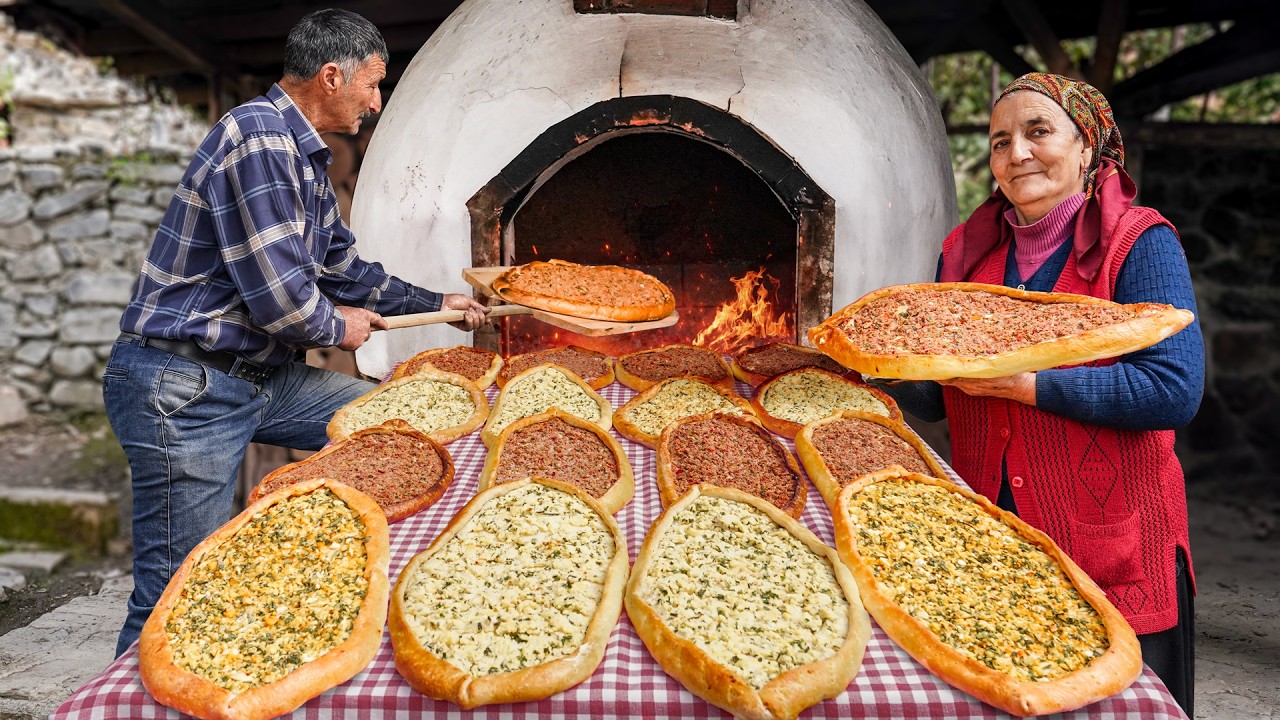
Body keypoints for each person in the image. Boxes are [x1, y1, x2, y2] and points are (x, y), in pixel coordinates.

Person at [103, 8, 488, 657]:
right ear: (331, 76)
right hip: (183, 384)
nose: (376, 101)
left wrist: (441, 301)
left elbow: (342, 268)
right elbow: (282, 301)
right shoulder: (257, 139)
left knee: (389, 423)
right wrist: (342, 327)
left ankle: (345, 577)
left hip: (257, 379)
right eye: (371, 85)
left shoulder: (304, 158)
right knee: (173, 593)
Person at [885, 73, 1202, 715]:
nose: (1016, 153)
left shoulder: (1139, 243)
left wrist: (1029, 387)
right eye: (1001, 141)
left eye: (1038, 132)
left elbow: (1174, 389)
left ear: (1086, 147)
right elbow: (944, 393)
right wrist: (859, 365)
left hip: (1113, 539)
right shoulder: (968, 255)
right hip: (998, 542)